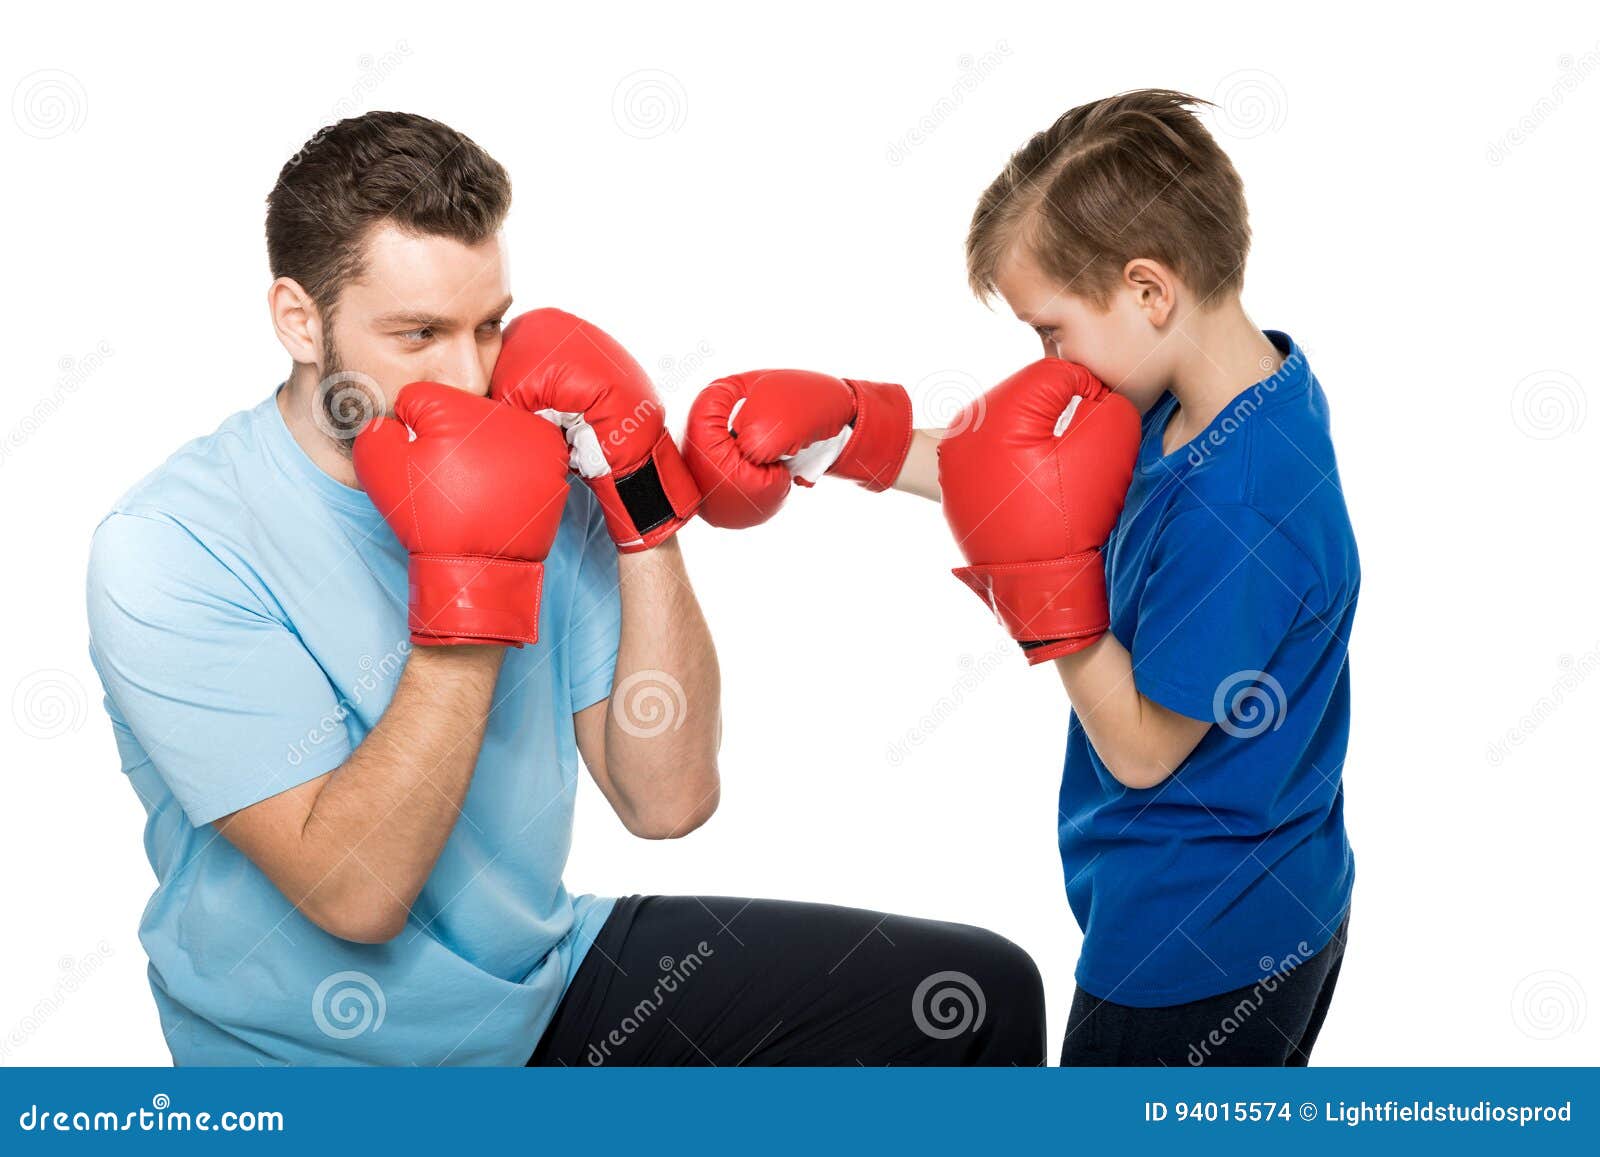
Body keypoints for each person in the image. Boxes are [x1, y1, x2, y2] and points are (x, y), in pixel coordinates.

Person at [84, 111, 1044, 1067]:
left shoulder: (534, 462)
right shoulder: (172, 548)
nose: (467, 374)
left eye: (488, 325)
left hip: (541, 990)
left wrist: (637, 505)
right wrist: (475, 570)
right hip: (312, 1068)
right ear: (300, 319)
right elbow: (358, 894)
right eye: (418, 333)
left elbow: (667, 800)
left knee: (971, 997)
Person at [685, 89, 1356, 1066]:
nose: (1045, 362)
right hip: (1275, 891)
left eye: (1050, 330)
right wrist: (845, 439)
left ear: (1148, 291)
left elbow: (1139, 751)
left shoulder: (1240, 504)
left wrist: (1051, 596)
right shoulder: (1219, 396)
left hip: (1197, 946)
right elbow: (1015, 476)